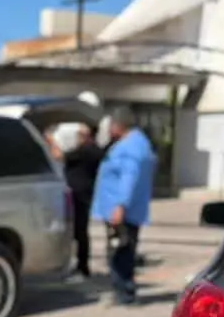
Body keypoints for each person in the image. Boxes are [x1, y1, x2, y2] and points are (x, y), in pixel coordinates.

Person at [89, 106, 156, 305]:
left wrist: (120, 205)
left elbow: (129, 177)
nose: (109, 129)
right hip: (126, 210)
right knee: (124, 250)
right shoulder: (136, 143)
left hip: (122, 211)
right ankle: (124, 291)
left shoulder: (130, 148)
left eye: (111, 125)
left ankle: (124, 293)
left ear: (119, 125)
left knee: (120, 252)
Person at [60, 123, 105, 279]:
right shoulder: (96, 150)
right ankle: (80, 264)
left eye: (79, 135)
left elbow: (60, 156)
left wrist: (49, 139)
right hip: (85, 192)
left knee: (79, 231)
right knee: (80, 231)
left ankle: (82, 266)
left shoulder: (85, 151)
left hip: (79, 194)